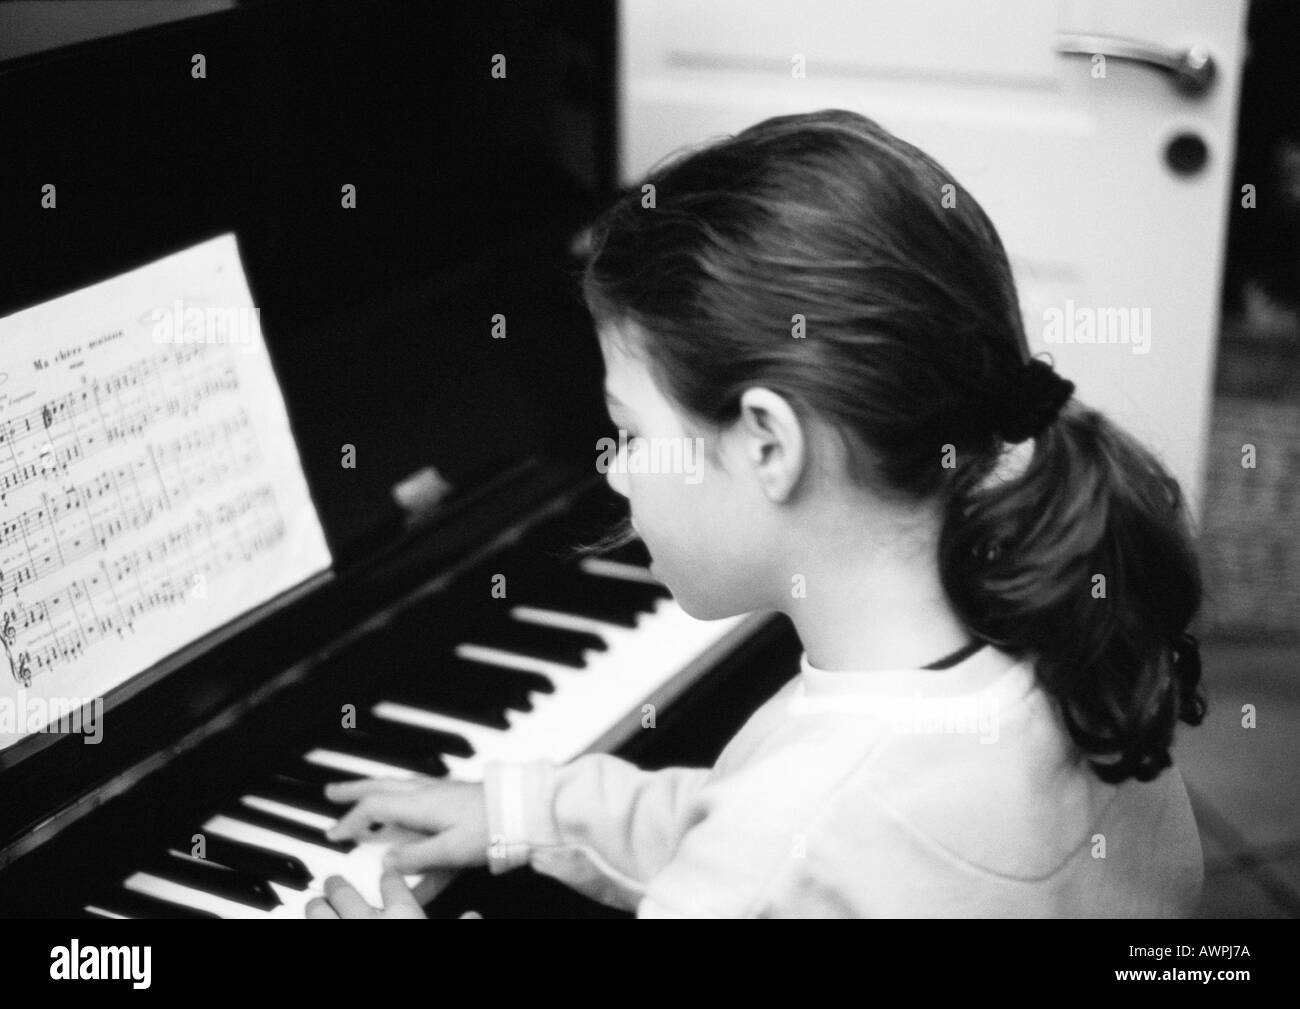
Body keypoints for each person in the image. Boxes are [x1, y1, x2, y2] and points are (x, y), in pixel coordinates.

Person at [306, 109, 1206, 919]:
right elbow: (766, 833)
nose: (615, 474)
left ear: (769, 444)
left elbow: (772, 853)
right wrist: (534, 810)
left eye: (628, 430)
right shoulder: (1074, 634)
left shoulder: (786, 842)